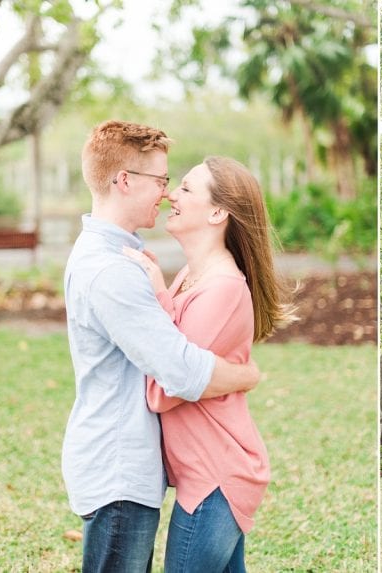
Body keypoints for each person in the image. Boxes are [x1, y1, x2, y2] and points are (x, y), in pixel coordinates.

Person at [62, 121, 261, 573]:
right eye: (162, 181)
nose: (167, 193)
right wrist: (246, 375)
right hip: (119, 470)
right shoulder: (111, 271)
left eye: (176, 184)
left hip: (134, 470)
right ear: (125, 180)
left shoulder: (117, 259)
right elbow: (181, 373)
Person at [124, 156, 293, 571]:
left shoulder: (222, 288)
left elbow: (165, 391)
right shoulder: (190, 275)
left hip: (215, 476)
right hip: (209, 475)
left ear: (218, 212)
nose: (169, 194)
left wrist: (158, 299)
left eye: (185, 188)